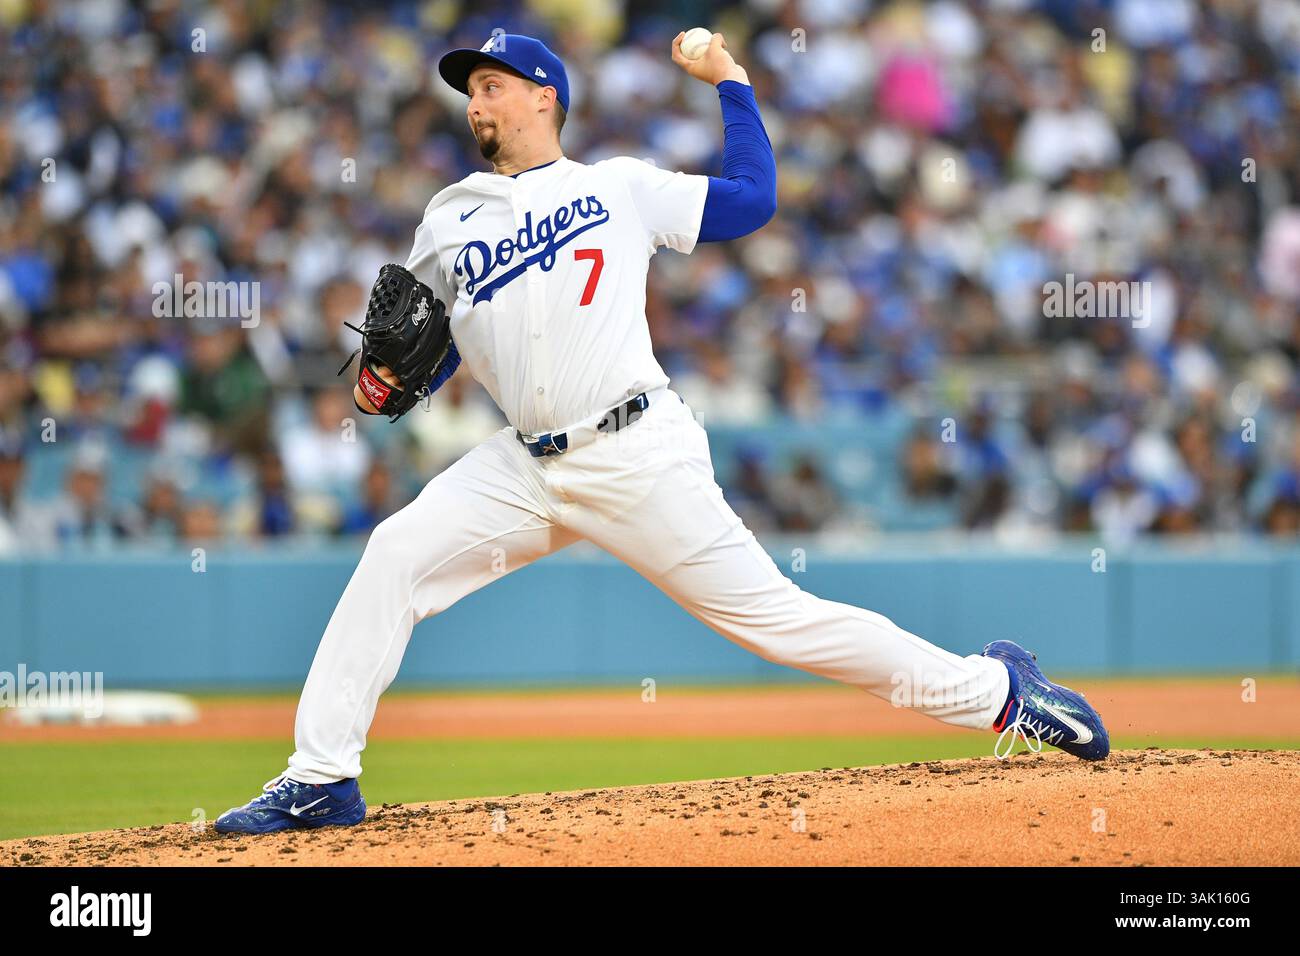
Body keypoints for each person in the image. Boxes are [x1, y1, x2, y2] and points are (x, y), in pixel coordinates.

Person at [215, 32, 1109, 835]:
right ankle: (322, 778)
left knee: (780, 625)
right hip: (524, 466)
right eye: (469, 90)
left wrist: (731, 79)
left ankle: (1001, 694)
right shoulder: (448, 218)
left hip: (636, 449)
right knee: (395, 553)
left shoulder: (619, 188)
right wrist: (389, 384)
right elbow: (431, 346)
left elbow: (754, 200)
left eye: (492, 85)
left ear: (544, 97)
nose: (475, 102)